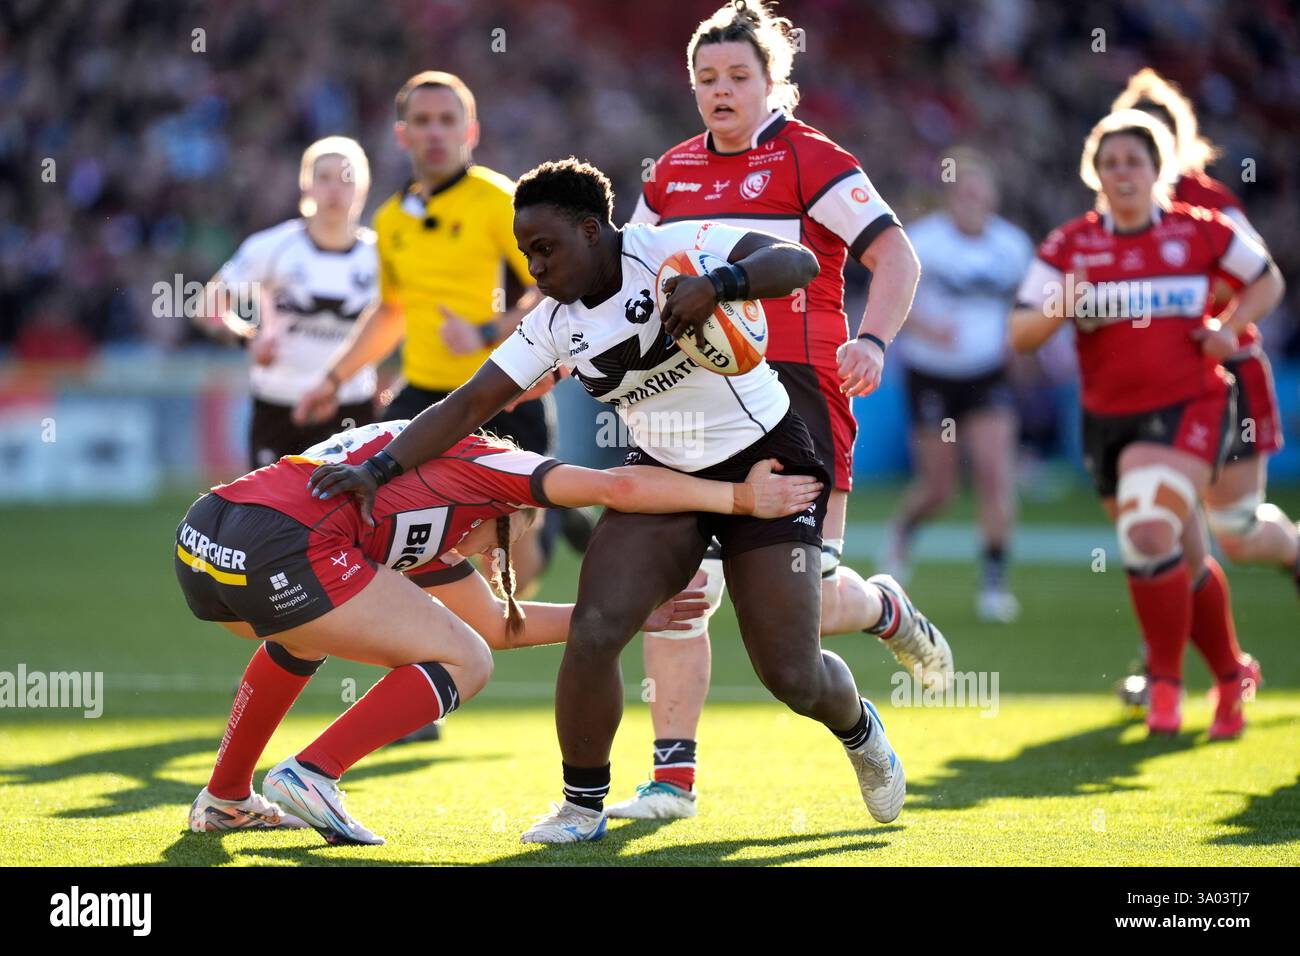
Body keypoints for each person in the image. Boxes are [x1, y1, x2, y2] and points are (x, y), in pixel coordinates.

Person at [308, 157, 910, 843]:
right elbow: (472, 401)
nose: (534, 267)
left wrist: (720, 284)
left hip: (768, 459)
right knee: (595, 629)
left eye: (546, 248)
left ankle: (861, 731)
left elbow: (796, 261)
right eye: (526, 253)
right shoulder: (552, 322)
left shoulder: (668, 252)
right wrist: (378, 468)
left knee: (791, 672)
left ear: (592, 231)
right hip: (666, 475)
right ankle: (582, 806)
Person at [607, 0, 951, 820]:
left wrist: (872, 340)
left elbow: (895, 255)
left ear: (773, 81)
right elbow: (631, 280)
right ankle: (671, 782)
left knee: (809, 610)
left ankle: (885, 609)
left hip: (797, 394)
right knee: (676, 590)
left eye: (737, 77)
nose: (720, 91)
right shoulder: (671, 174)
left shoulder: (810, 159)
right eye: (706, 79)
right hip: (689, 399)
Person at [180, 418, 820, 845]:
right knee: (469, 663)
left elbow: (495, 621)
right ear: (514, 510)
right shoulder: (495, 469)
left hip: (208, 534)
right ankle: (313, 772)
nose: (498, 558)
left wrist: (626, 616)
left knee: (304, 635)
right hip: (285, 542)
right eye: (514, 539)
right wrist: (739, 499)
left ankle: (225, 796)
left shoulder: (433, 515)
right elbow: (617, 485)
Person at [1010, 109, 1283, 739]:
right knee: (1176, 554)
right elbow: (1020, 332)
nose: (1122, 173)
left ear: (1159, 170)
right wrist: (1063, 301)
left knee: (1147, 525)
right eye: (1110, 163)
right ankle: (1229, 676)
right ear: (1095, 174)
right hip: (1109, 421)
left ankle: (1164, 683)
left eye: (1134, 161)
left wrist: (1228, 328)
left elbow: (1267, 279)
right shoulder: (1070, 244)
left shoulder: (1200, 232)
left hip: (1191, 406)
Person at [292, 71, 558, 592]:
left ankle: (545, 532)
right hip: (421, 399)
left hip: (504, 394)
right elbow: (391, 312)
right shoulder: (392, 219)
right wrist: (333, 379)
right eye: (422, 121)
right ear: (402, 135)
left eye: (446, 121)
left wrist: (486, 331)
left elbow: (552, 289)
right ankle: (402, 634)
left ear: (470, 132)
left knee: (510, 575)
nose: (435, 133)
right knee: (366, 509)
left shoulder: (500, 201)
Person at [1109, 68, 1291, 711]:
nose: (1126, 165)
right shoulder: (1111, 216)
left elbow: (1256, 278)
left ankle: (1292, 552)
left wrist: (1214, 324)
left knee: (1236, 533)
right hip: (1153, 394)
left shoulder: (1208, 202)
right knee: (1159, 530)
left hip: (1222, 377)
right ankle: (1173, 669)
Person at [885, 149, 1032, 624]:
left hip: (986, 375)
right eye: (963, 191)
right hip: (932, 376)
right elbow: (893, 300)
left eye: (979, 192)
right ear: (950, 196)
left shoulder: (1012, 246)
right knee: (940, 487)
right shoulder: (924, 242)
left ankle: (994, 582)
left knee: (994, 473)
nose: (972, 200)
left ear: (992, 197)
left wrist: (1020, 344)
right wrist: (928, 329)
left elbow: (1026, 305)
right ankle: (902, 535)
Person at [197, 137, 379, 469]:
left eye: (347, 178)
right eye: (324, 177)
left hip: (351, 406)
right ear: (305, 186)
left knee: (352, 518)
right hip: (278, 404)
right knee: (269, 518)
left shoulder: (381, 258)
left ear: (363, 188)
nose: (335, 189)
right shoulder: (271, 247)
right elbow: (206, 306)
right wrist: (246, 339)